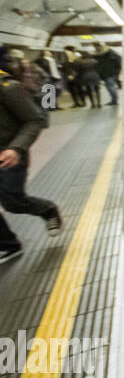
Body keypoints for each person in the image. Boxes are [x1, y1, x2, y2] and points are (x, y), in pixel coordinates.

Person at [0, 62, 62, 262]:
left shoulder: (8, 87)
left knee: (12, 201)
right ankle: (7, 244)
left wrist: (16, 148)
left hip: (9, 153)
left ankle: (48, 209)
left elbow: (34, 120)